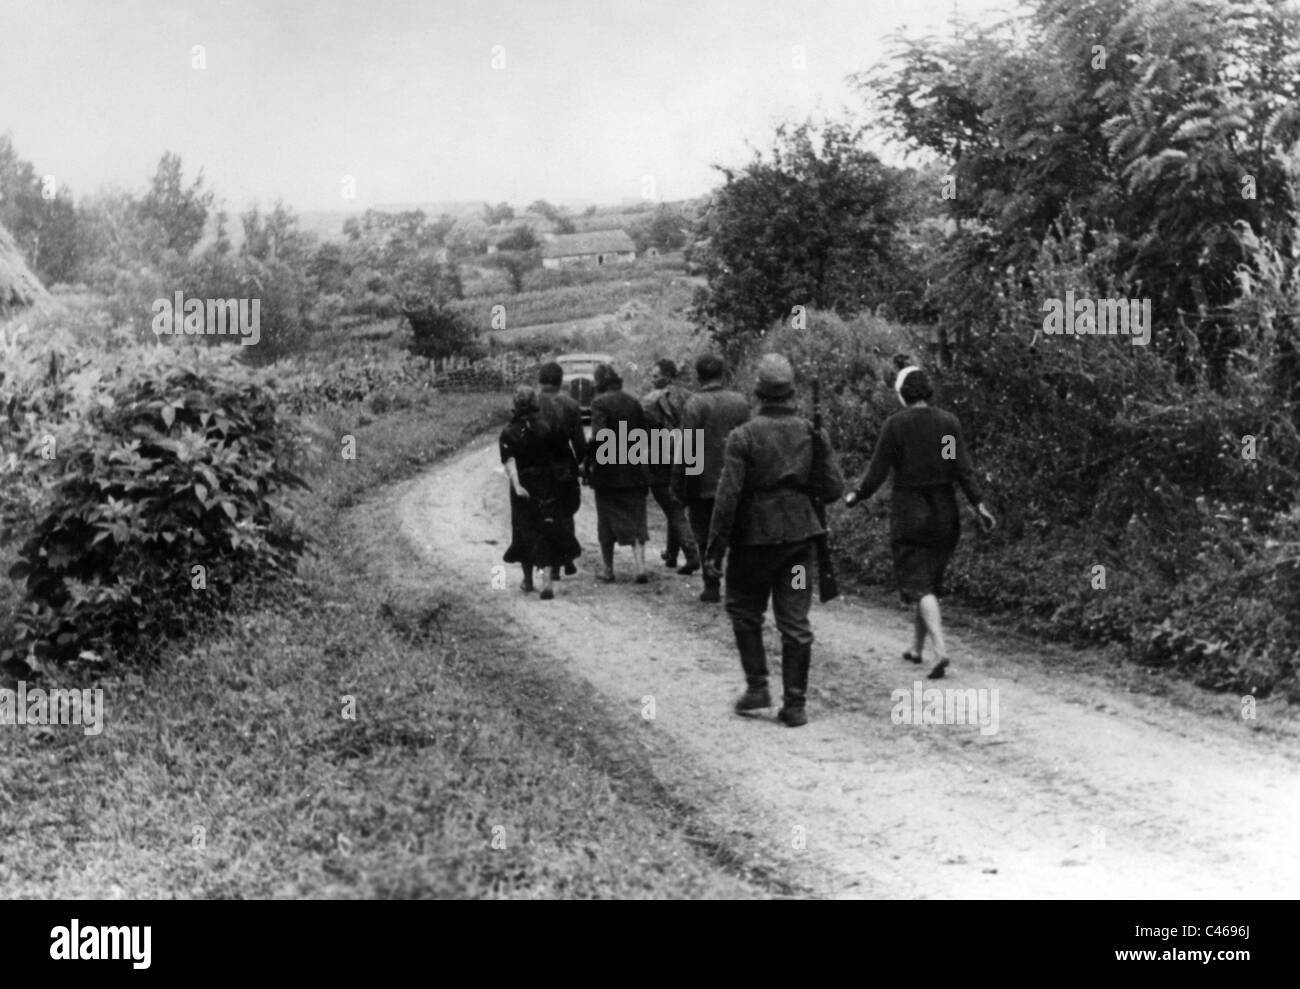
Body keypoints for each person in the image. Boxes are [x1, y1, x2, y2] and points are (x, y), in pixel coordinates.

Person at [705, 354, 845, 727]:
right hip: (800, 541)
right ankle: (795, 704)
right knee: (795, 619)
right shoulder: (811, 433)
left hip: (754, 544)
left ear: (758, 393)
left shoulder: (743, 436)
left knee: (744, 609)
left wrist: (715, 549)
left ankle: (758, 687)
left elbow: (728, 497)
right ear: (792, 393)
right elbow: (833, 489)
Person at [843, 366, 996, 679]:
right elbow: (961, 468)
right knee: (927, 585)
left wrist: (856, 495)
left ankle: (940, 651)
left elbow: (878, 470)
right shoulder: (948, 424)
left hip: (911, 512)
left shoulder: (895, 426)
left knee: (920, 584)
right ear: (928, 391)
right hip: (944, 512)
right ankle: (916, 649)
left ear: (902, 394)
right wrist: (979, 505)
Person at [672, 354, 750, 602]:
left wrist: (680, 485)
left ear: (698, 376)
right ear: (723, 374)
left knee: (704, 534)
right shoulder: (740, 402)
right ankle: (739, 585)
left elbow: (687, 447)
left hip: (702, 481)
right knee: (737, 533)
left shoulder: (695, 404)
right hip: (736, 479)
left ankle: (712, 584)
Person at [499, 385, 581, 600]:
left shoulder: (508, 432)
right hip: (547, 481)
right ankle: (547, 578)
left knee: (524, 529)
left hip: (524, 483)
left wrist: (517, 485)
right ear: (535, 404)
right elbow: (563, 455)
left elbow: (509, 461)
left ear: (515, 405)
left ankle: (527, 581)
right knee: (548, 526)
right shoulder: (547, 427)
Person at [584, 363, 651, 583]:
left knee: (606, 522)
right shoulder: (633, 402)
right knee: (637, 520)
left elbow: (600, 436)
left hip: (608, 473)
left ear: (600, 383)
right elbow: (645, 435)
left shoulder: (599, 403)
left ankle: (608, 569)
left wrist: (588, 461)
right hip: (634, 470)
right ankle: (640, 567)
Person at [641, 358, 701, 574]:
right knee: (676, 504)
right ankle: (672, 556)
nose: (652, 379)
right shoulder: (689, 396)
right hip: (688, 452)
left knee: (671, 506)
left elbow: (644, 429)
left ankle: (692, 554)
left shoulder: (650, 400)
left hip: (661, 455)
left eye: (656, 376)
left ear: (666, 377)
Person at [537, 361, 587, 580]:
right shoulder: (571, 405)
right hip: (564, 465)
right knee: (566, 512)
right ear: (559, 381)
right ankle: (565, 558)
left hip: (539, 466)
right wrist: (583, 463)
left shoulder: (532, 402)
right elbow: (579, 441)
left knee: (544, 514)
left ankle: (552, 563)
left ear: (541, 380)